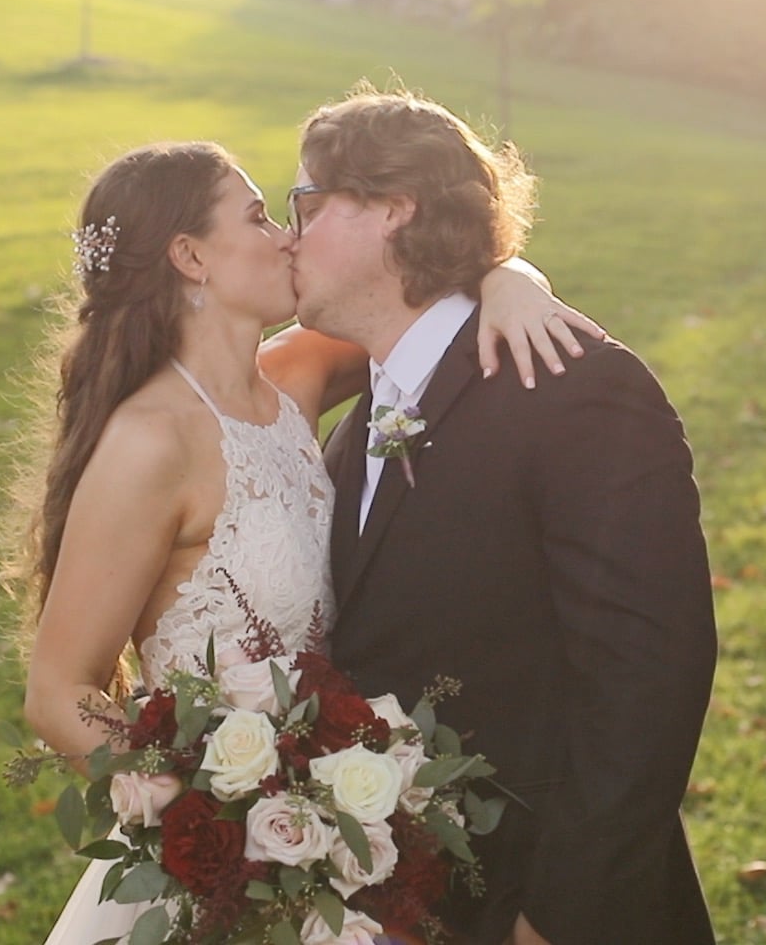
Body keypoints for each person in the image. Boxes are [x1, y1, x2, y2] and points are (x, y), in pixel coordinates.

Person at [0, 140, 600, 942]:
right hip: (235, 864)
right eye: (257, 215)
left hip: (347, 820)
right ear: (190, 256)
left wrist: (511, 280)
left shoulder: (292, 381)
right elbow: (58, 692)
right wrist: (217, 829)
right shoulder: (149, 442)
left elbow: (416, 309)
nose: (287, 235)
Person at [296, 88, 719, 945]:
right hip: (394, 899)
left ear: (393, 209)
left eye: (306, 203)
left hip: (550, 901)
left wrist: (553, 918)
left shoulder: (575, 389)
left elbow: (649, 678)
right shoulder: (350, 425)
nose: (288, 233)